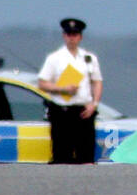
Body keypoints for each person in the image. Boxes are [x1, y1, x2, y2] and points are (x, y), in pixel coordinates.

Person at [37, 17, 103, 164]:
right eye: (68, 34)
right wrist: (62, 89)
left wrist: (94, 103)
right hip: (62, 111)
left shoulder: (89, 58)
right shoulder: (54, 58)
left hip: (83, 112)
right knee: (62, 157)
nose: (71, 38)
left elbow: (97, 82)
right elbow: (42, 83)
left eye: (74, 34)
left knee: (86, 157)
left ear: (80, 37)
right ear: (64, 36)